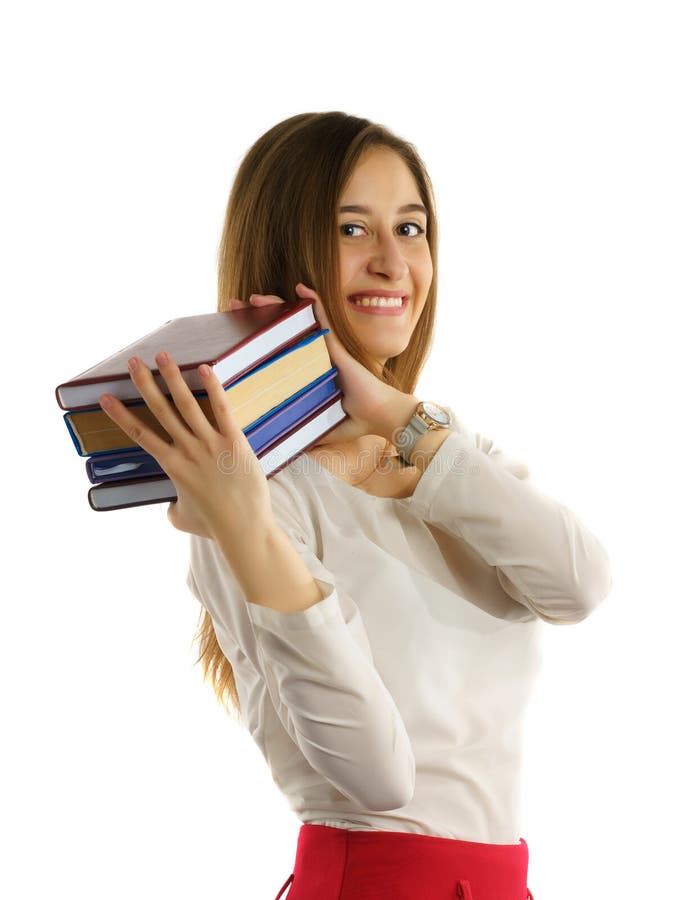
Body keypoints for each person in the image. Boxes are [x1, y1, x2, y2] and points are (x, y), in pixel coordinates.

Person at [98, 111, 612, 900]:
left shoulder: (438, 446)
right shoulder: (250, 498)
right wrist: (242, 524)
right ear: (286, 247)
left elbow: (576, 585)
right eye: (349, 229)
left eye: (410, 228)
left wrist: (394, 417)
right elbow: (374, 776)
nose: (391, 262)